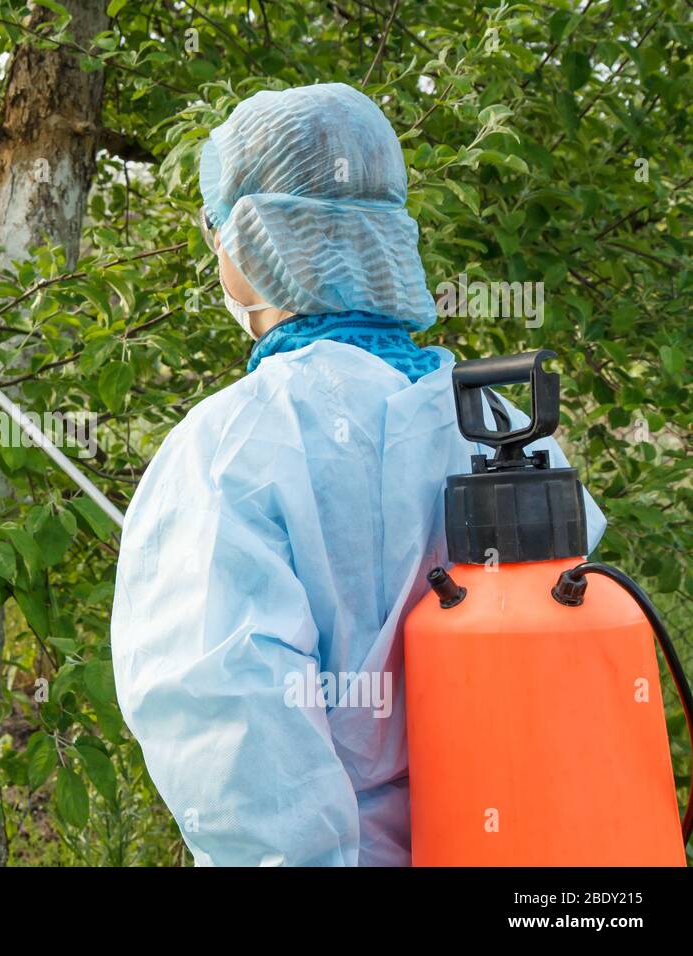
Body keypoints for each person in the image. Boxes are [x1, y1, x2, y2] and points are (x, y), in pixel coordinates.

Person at [109, 83, 604, 866]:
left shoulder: (230, 448)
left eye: (215, 229)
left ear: (246, 242)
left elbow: (235, 749)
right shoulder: (506, 427)